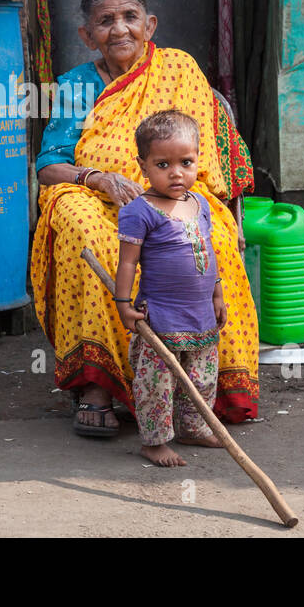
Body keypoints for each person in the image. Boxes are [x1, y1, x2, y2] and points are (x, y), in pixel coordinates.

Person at [31, 0, 259, 437]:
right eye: (105, 20)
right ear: (86, 34)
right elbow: (48, 167)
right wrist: (97, 177)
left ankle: (195, 388)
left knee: (205, 230)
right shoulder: (75, 86)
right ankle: (98, 387)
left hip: (175, 194)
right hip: (97, 197)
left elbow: (207, 162)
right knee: (78, 225)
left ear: (149, 25)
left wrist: (174, 197)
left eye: (130, 17)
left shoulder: (178, 70)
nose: (119, 30)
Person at [114, 110, 227, 466]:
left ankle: (194, 427)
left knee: (202, 378)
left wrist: (218, 293)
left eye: (186, 162)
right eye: (163, 164)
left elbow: (208, 250)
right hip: (161, 317)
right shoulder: (139, 210)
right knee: (156, 383)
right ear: (143, 165)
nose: (176, 173)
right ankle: (154, 441)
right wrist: (122, 303)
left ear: (198, 159)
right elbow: (128, 263)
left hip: (201, 315)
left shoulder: (200, 203)